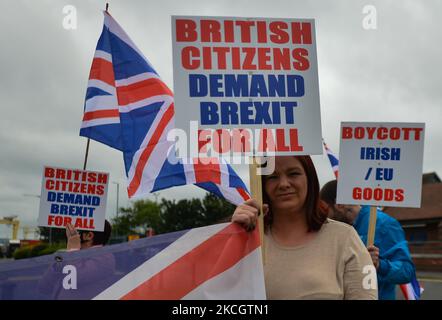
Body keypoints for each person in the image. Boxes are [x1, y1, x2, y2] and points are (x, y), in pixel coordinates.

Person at [232, 156, 377, 299]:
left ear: (310, 179)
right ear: (262, 184)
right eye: (272, 177)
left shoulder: (345, 238)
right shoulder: (246, 241)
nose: (283, 184)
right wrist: (232, 235)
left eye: (293, 173)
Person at [320, 180, 415, 300]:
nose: (324, 217)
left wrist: (379, 264)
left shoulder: (384, 224)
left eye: (325, 210)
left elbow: (407, 271)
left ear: (339, 205)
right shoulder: (338, 229)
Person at [38, 220, 116, 299]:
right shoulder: (70, 255)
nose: (70, 233)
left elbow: (74, 279)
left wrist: (73, 251)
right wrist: (57, 267)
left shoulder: (105, 258)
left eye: (77, 230)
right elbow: (44, 287)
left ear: (89, 235)